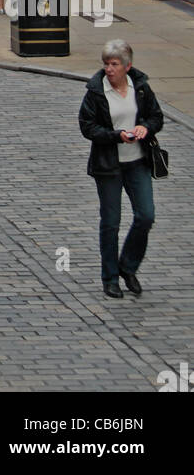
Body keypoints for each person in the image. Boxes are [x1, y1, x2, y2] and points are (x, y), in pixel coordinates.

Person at [78, 40, 164, 299]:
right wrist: (117, 135)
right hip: (109, 166)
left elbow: (156, 116)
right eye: (106, 64)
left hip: (137, 161)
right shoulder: (96, 92)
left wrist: (145, 128)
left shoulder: (140, 88)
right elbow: (87, 127)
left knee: (146, 215)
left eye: (114, 64)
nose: (109, 69)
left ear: (128, 66)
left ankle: (128, 266)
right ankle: (110, 278)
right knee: (111, 222)